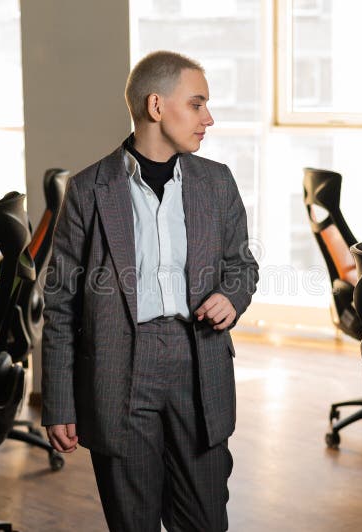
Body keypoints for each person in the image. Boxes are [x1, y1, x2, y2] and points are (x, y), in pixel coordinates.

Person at [41, 50, 259, 532]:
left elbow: (242, 265)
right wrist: (58, 402)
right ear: (157, 106)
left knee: (205, 520)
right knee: (132, 519)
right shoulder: (87, 190)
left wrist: (232, 296)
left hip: (198, 360)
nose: (209, 118)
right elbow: (59, 305)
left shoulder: (217, 183)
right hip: (119, 370)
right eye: (197, 104)